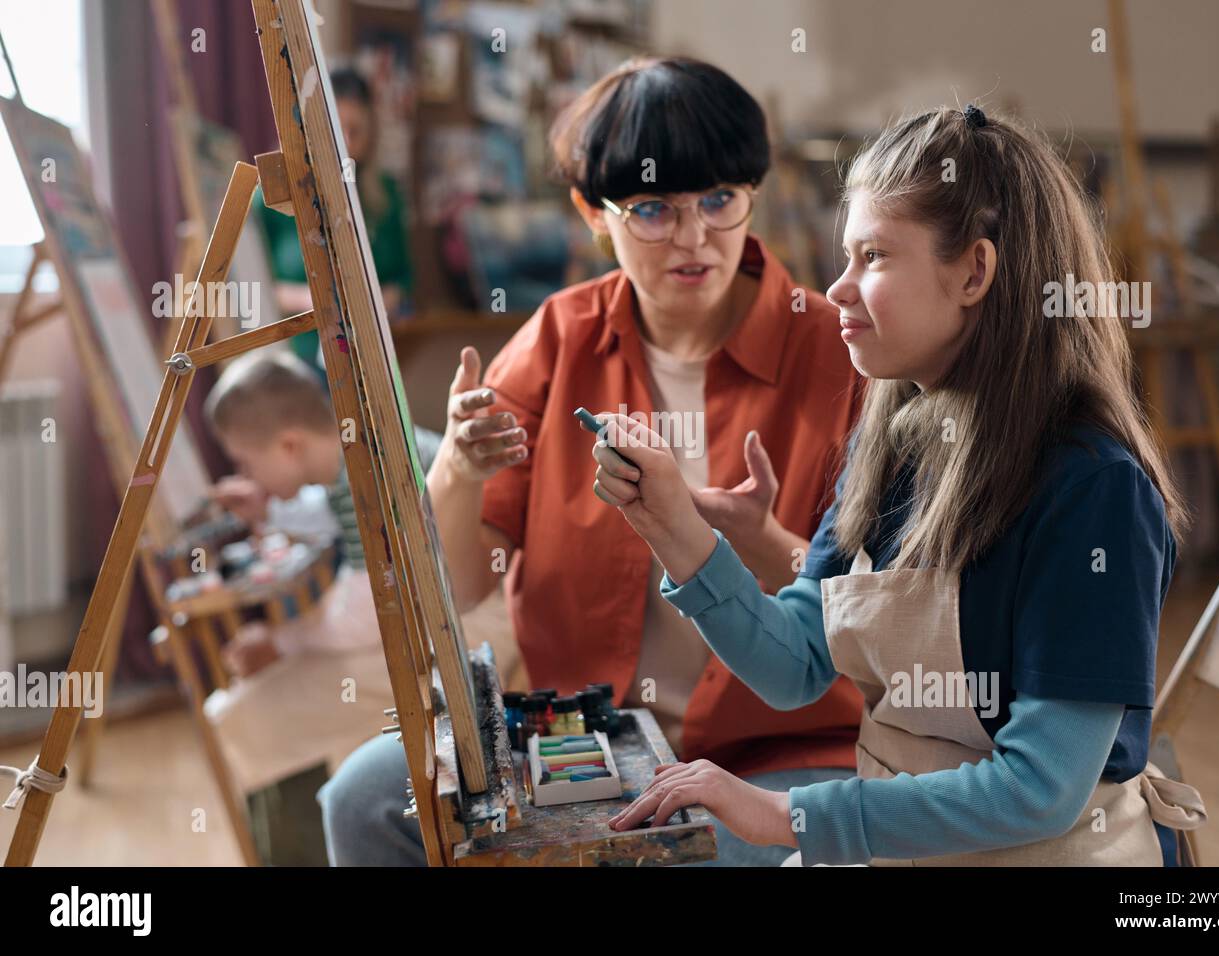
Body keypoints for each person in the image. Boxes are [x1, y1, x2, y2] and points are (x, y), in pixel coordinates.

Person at [587, 105, 1208, 866]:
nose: (838, 289)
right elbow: (793, 667)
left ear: (975, 272)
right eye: (845, 258)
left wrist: (782, 815)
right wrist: (671, 526)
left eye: (872, 256)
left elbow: (1042, 789)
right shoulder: (896, 446)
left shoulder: (1094, 491)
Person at [319, 57, 864, 867]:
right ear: (592, 213)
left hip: (779, 753)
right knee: (364, 799)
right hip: (590, 740)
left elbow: (876, 613)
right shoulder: (558, 338)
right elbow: (461, 584)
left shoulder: (837, 352)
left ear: (755, 191)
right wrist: (461, 472)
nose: (693, 237)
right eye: (651, 209)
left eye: (719, 200)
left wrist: (764, 541)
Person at [202, 352, 439, 806]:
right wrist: (268, 510)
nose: (244, 477)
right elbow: (330, 515)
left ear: (289, 446)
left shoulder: (360, 480)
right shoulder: (360, 447)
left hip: (458, 621)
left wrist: (279, 641)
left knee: (251, 707)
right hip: (454, 603)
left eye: (247, 465)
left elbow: (363, 620)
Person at [257, 67, 413, 372]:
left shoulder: (386, 195)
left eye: (357, 131)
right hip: (289, 360)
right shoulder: (269, 196)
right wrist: (312, 301)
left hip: (366, 358)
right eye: (336, 129)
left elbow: (402, 278)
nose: (347, 143)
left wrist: (371, 305)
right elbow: (247, 281)